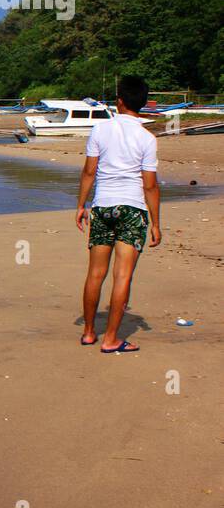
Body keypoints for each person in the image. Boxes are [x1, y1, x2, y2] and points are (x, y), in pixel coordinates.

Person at [77, 75, 161, 353]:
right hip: (132, 209)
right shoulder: (147, 139)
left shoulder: (100, 130)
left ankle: (89, 332)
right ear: (144, 104)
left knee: (95, 274)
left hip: (103, 207)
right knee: (122, 276)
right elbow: (149, 185)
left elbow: (90, 171)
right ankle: (111, 339)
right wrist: (156, 224)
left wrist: (81, 205)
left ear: (119, 101)